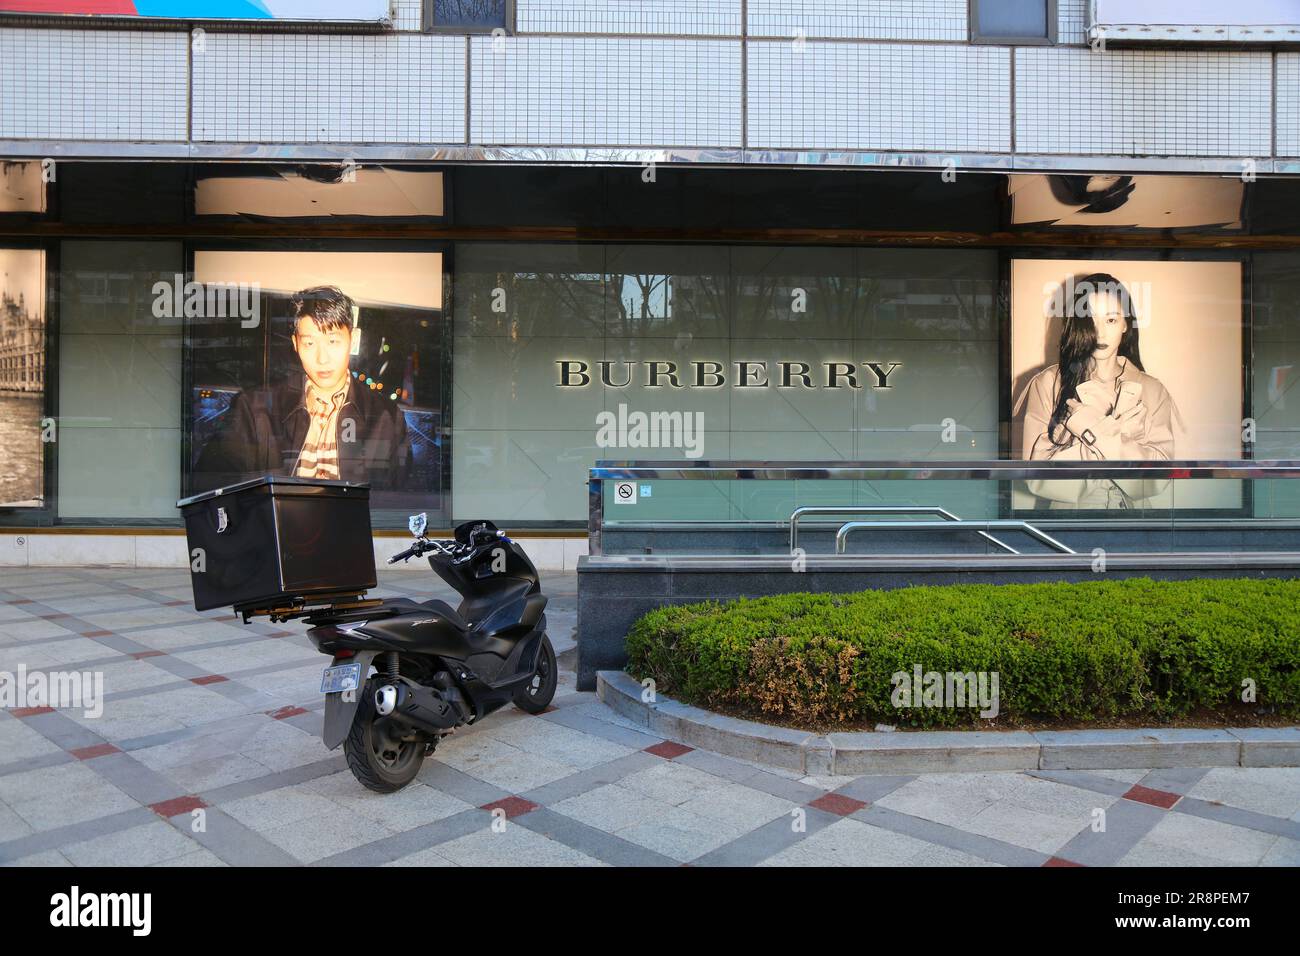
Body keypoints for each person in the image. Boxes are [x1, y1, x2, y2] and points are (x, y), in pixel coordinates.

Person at [194, 285, 411, 490]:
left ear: (353, 340)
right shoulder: (254, 408)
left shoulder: (386, 418)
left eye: (333, 341)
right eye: (309, 343)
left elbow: (398, 506)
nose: (322, 358)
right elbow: (211, 483)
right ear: (296, 344)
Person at [1015, 272, 1178, 509]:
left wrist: (1092, 431)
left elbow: (1157, 478)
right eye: (1090, 320)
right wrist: (1114, 438)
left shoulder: (1153, 390)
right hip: (1069, 527)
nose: (1099, 332)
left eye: (1111, 320)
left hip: (1134, 526)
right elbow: (1037, 477)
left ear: (1126, 324)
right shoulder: (1048, 383)